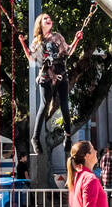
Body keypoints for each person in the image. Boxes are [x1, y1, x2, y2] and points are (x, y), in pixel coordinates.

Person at [24, 13, 80, 153]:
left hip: (60, 72)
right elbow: (31, 58)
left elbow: (68, 51)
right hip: (46, 74)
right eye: (45, 19)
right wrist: (22, 43)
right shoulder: (37, 41)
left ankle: (68, 136)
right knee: (44, 105)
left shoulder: (57, 36)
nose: (49, 20)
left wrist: (76, 40)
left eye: (50, 18)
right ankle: (35, 138)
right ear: (40, 23)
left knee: (64, 105)